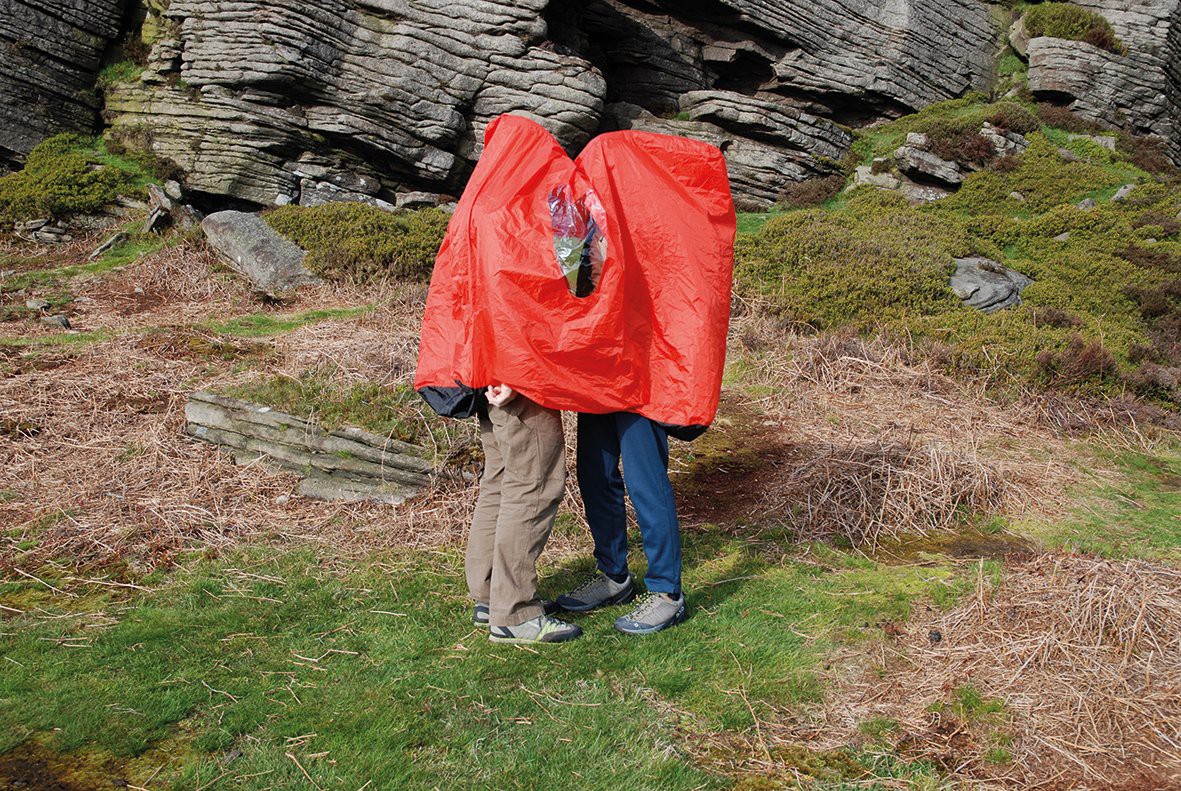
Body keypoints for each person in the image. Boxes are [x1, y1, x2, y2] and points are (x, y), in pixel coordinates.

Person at [466, 383, 583, 644]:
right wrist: (512, 380)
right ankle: (515, 613)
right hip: (516, 384)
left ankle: (490, 597)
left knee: (499, 483)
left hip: (486, 382)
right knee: (533, 485)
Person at [556, 412, 686, 634]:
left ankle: (668, 592)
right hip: (598, 388)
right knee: (595, 477)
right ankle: (613, 577)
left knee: (646, 484)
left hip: (640, 390)